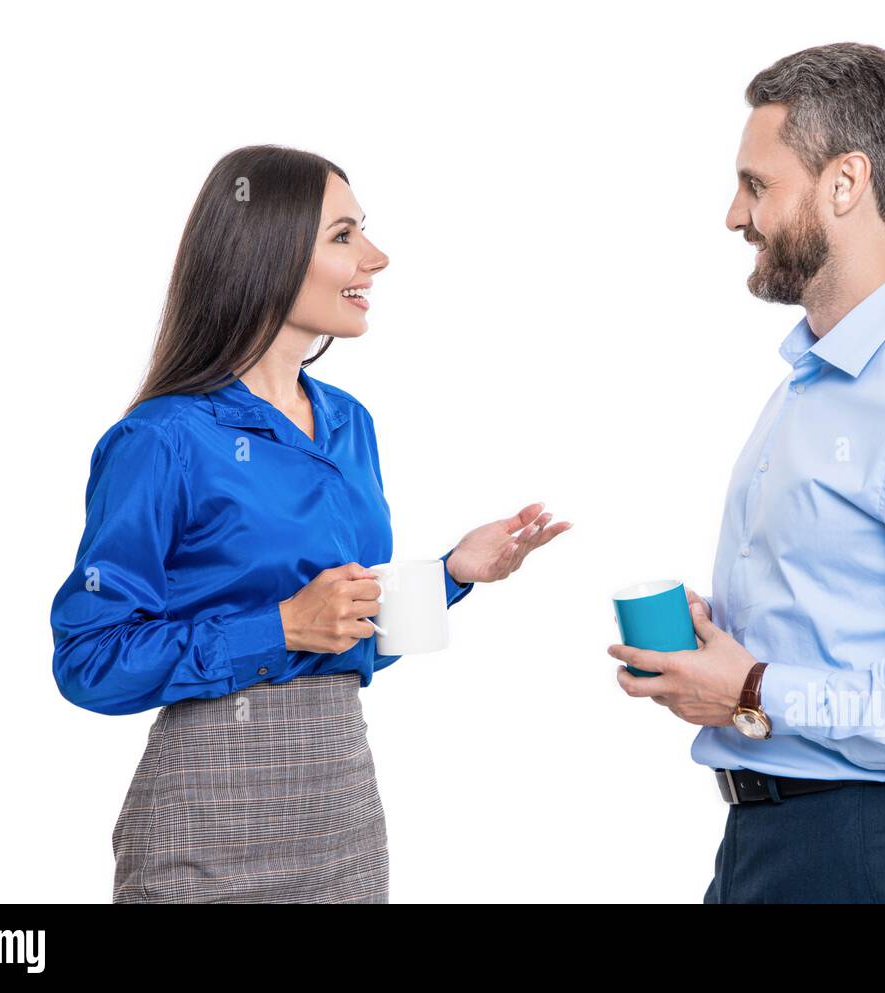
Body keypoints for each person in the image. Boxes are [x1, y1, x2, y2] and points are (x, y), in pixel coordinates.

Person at [50, 145, 570, 903]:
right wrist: (281, 626)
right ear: (267, 250)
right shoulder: (162, 440)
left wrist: (453, 575)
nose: (377, 257)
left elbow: (349, 638)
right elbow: (88, 658)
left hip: (343, 813)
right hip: (208, 822)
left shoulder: (348, 425)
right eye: (345, 235)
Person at [608, 43, 885, 903]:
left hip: (877, 852)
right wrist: (729, 657)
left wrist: (752, 687)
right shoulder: (823, 377)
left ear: (844, 183)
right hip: (779, 840)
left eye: (757, 184)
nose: (734, 214)